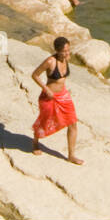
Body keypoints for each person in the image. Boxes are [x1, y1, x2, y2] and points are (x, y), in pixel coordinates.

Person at [31, 36, 82, 165]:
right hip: (49, 97)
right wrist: (45, 89)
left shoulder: (67, 59)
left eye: (68, 50)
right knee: (44, 121)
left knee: (73, 123)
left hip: (63, 96)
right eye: (64, 51)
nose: (67, 53)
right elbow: (35, 75)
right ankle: (35, 142)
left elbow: (62, 79)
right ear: (57, 50)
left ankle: (71, 155)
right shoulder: (50, 61)